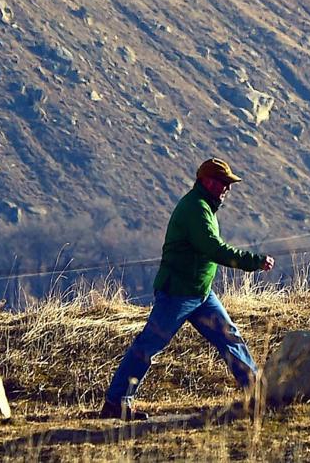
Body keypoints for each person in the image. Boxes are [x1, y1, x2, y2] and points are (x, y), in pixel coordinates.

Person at [100, 157, 275, 420]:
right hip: (177, 294)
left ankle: (259, 395)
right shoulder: (195, 209)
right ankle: (116, 403)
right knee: (148, 347)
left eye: (229, 183)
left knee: (229, 337)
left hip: (200, 292)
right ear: (206, 181)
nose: (227, 188)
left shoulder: (204, 206)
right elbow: (214, 248)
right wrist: (254, 261)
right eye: (223, 182)